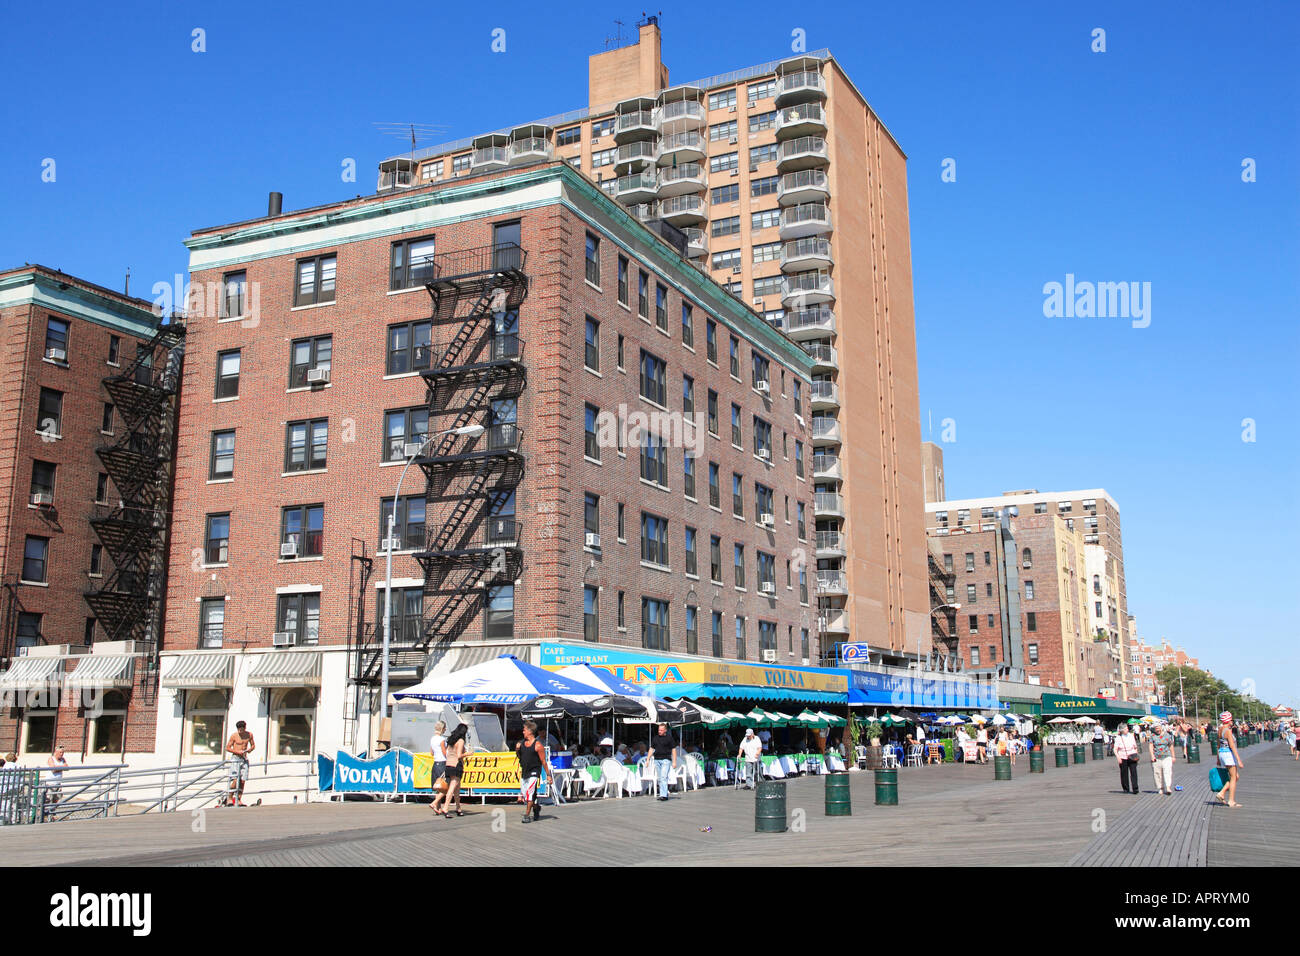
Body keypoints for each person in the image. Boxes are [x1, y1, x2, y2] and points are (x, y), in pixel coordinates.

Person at [515, 720, 553, 823]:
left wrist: (548, 775)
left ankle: (527, 815)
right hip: (525, 771)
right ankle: (536, 807)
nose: (523, 732)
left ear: (530, 731)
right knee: (525, 795)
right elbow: (519, 757)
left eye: (524, 730)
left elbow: (543, 761)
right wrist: (517, 750)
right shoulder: (522, 743)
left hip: (534, 772)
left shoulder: (538, 745)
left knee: (529, 793)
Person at [1214, 712, 1244, 808]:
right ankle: (1231, 800)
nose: (1232, 722)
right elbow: (1232, 746)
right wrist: (1239, 760)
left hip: (1222, 753)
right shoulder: (1227, 731)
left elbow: (1218, 745)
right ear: (1228, 720)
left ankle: (1222, 793)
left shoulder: (1220, 729)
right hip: (1228, 754)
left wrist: (1218, 758)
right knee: (1233, 777)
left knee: (1235, 776)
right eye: (1231, 720)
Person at [224, 721, 255, 807]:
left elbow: (253, 745)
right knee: (235, 779)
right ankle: (229, 798)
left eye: (241, 730)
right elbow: (227, 747)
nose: (240, 732)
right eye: (239, 730)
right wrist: (237, 751)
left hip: (244, 758)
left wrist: (249, 750)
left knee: (242, 780)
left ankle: (239, 799)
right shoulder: (234, 735)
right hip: (236, 758)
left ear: (244, 728)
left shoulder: (249, 735)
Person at [649, 722, 679, 801]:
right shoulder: (655, 738)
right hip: (657, 759)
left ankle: (664, 795)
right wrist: (648, 759)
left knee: (663, 776)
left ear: (665, 730)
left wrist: (674, 761)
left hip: (666, 759)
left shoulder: (669, 738)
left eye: (661, 730)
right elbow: (652, 748)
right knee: (659, 778)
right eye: (659, 730)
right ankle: (662, 793)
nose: (659, 731)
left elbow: (674, 750)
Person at [1148, 720, 1177, 796]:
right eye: (1155, 728)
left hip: (1166, 756)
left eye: (1158, 728)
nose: (1157, 729)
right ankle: (1160, 788)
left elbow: (1171, 745)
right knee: (1157, 773)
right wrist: (1152, 756)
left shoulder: (1167, 735)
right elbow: (1151, 746)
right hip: (1156, 756)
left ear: (1161, 727)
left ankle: (1168, 787)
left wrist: (1173, 756)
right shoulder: (1152, 736)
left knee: (1167, 771)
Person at [1114, 723, 1140, 794]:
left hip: (1132, 755)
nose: (1127, 730)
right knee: (1124, 773)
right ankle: (1126, 788)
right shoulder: (1118, 738)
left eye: (1127, 728)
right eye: (1125, 729)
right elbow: (1115, 749)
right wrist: (1118, 757)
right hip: (1123, 756)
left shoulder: (1131, 736)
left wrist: (1136, 754)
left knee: (1133, 772)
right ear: (1122, 730)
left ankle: (1135, 788)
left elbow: (1135, 746)